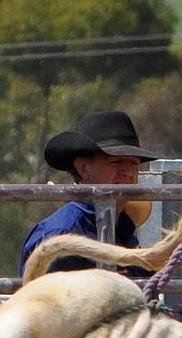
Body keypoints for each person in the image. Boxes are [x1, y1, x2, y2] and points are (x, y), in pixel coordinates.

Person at [18, 110, 159, 277]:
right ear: (84, 169)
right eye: (116, 162)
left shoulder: (123, 230)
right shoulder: (60, 235)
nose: (128, 172)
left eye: (134, 164)